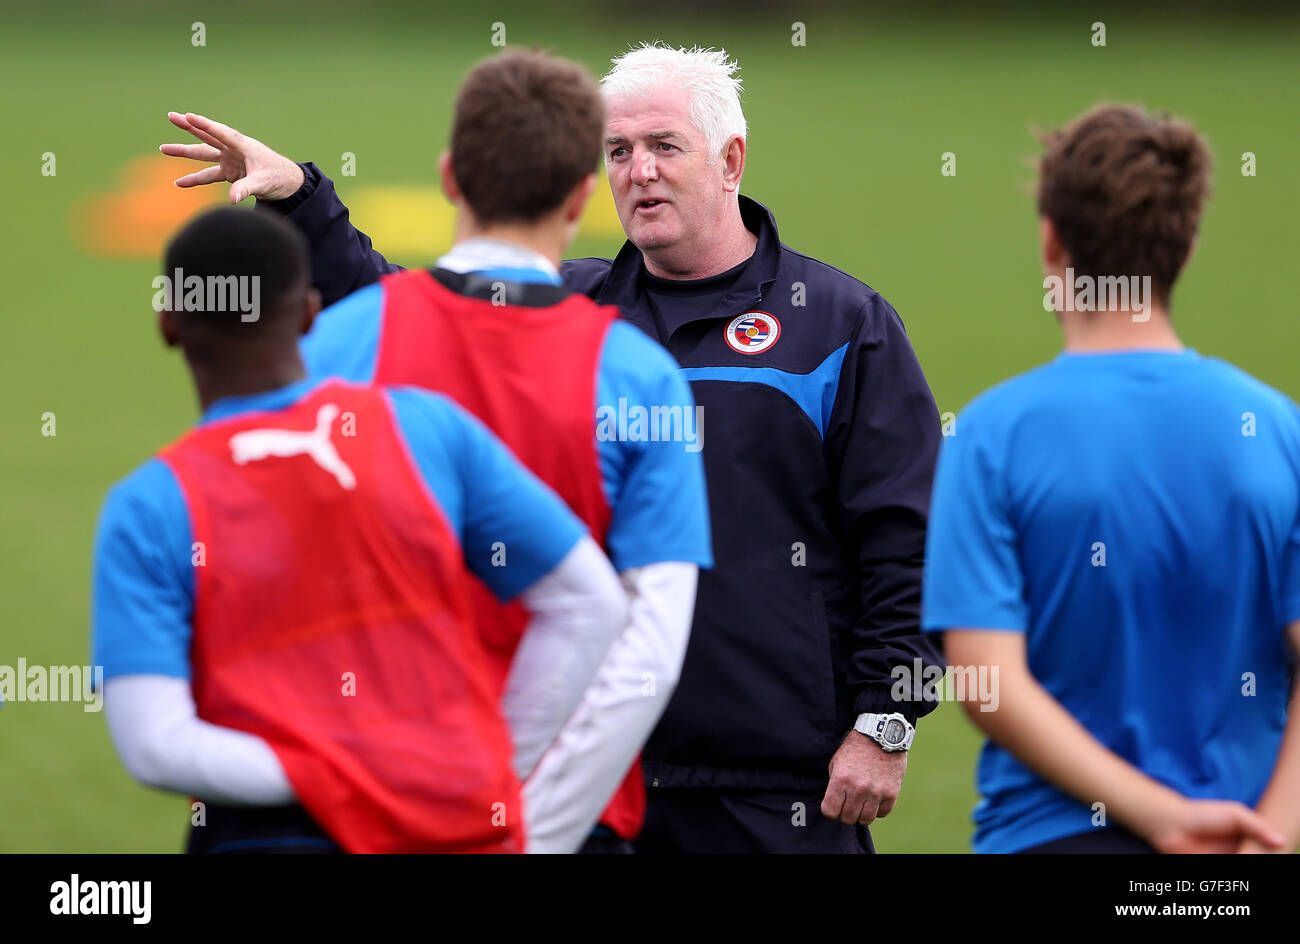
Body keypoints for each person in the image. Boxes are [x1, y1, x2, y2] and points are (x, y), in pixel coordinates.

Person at [161, 42, 942, 854]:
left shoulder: (838, 324)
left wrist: (885, 721)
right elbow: (415, 311)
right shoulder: (571, 306)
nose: (639, 172)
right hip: (590, 773)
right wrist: (301, 201)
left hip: (774, 786)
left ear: (730, 159)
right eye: (618, 152)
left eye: (664, 147)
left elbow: (909, 536)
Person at [160, 49, 712, 855]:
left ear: (451, 177)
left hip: (355, 811)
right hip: (562, 820)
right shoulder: (640, 377)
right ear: (582, 194)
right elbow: (648, 655)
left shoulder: (329, 344)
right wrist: (527, 829)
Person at [92, 206, 630, 854]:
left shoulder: (150, 505)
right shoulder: (428, 428)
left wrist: (333, 771)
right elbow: (588, 601)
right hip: (453, 827)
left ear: (168, 325)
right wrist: (480, 759)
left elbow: (156, 747)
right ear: (311, 314)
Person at [923, 104, 1299, 854]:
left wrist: (1157, 816)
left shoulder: (994, 434)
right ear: (1185, 247)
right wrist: (1274, 834)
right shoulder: (1279, 429)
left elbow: (985, 684)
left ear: (1051, 241)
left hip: (1048, 840)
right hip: (1245, 839)